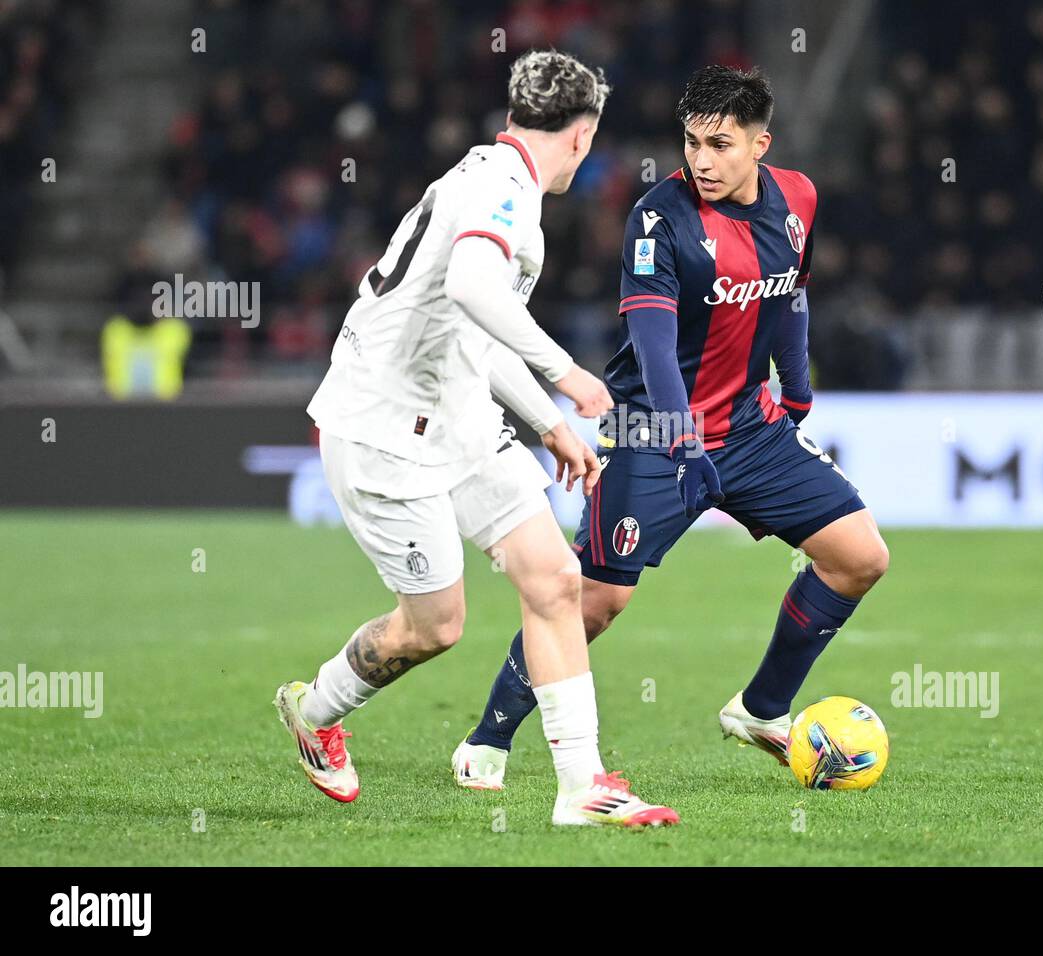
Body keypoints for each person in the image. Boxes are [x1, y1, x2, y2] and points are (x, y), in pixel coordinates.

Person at [454, 65, 889, 789]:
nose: (702, 160)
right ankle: (487, 739)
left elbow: (791, 298)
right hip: (653, 431)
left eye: (720, 144)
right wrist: (683, 438)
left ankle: (761, 708)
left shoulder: (800, 199)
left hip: (749, 427)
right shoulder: (660, 217)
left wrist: (799, 388)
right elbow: (654, 344)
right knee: (594, 604)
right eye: (691, 142)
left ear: (760, 144)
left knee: (860, 555)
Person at [275, 50, 678, 828]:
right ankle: (313, 708)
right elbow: (470, 285)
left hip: (459, 418)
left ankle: (582, 788)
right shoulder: (500, 190)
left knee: (555, 578)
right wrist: (565, 373)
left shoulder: (493, 178)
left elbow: (474, 332)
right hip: (382, 428)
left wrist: (552, 424)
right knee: (436, 627)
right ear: (583, 136)